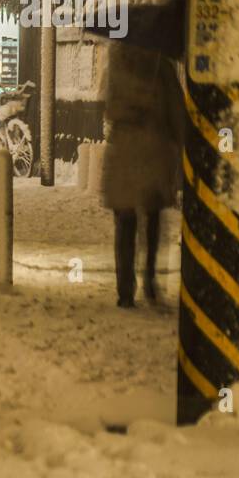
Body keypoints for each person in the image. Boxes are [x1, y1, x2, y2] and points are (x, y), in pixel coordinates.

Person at [100, 41, 184, 307]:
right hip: (154, 152)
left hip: (123, 153)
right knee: (153, 220)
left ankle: (125, 290)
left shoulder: (116, 67)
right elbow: (178, 116)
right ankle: (149, 282)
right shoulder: (162, 68)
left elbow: (108, 108)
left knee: (125, 223)